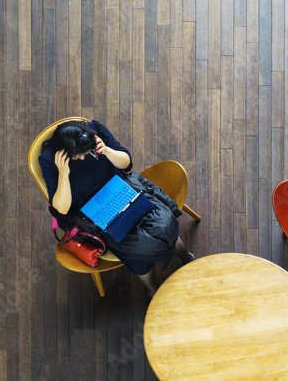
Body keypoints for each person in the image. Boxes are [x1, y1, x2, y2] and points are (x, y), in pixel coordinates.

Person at [39, 120, 195, 296]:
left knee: (164, 223)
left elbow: (127, 165)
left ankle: (184, 255)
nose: (83, 157)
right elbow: (62, 209)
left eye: (87, 153)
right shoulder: (49, 160)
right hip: (93, 212)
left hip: (121, 186)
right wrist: (63, 174)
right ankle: (152, 287)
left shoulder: (95, 131)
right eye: (79, 156)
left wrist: (106, 151)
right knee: (136, 249)